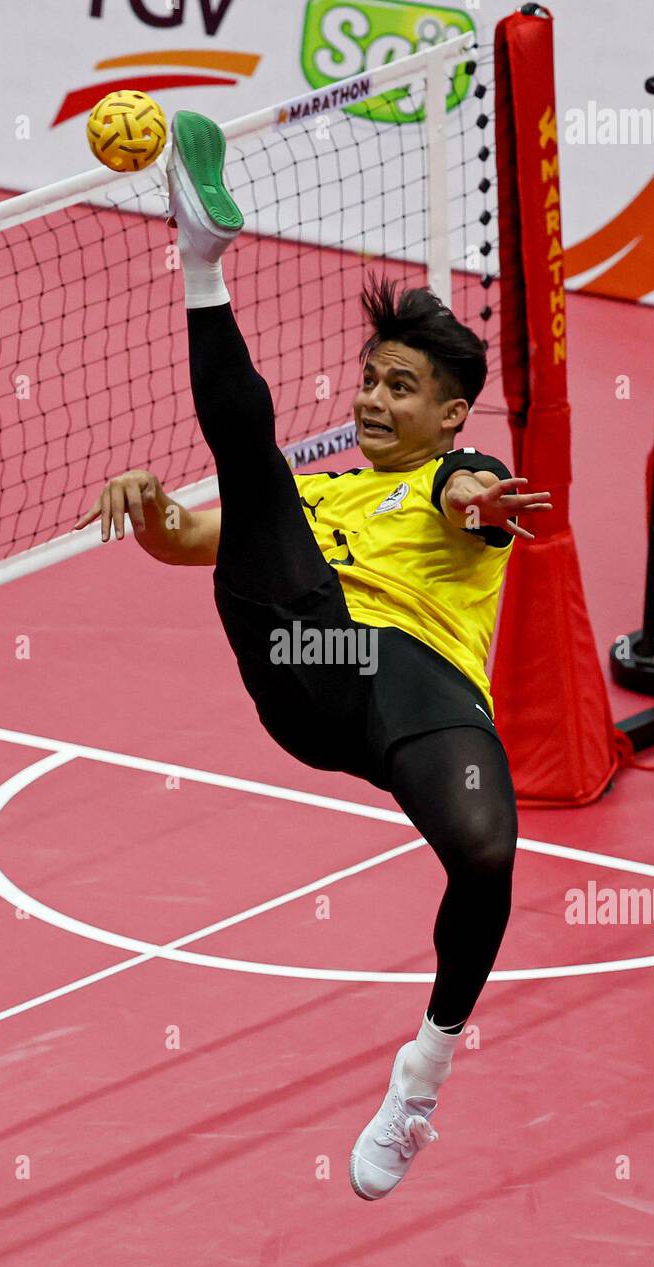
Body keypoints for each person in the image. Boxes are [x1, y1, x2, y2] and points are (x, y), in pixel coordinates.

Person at [75, 110, 552, 1201]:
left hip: (420, 688)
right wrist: (150, 509)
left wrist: (484, 507)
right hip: (304, 649)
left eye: (399, 389)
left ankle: (418, 1078)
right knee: (255, 477)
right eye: (369, 379)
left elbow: (472, 501)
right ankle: (202, 262)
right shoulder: (320, 487)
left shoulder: (457, 470)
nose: (372, 400)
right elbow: (192, 543)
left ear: (448, 413)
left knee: (482, 852)